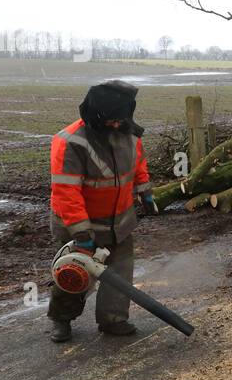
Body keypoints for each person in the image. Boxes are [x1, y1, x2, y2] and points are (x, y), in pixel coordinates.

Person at [47, 80, 156, 342]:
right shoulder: (70, 142)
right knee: (76, 275)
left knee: (120, 273)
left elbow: (138, 164)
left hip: (120, 220)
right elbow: (66, 192)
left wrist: (145, 191)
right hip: (80, 223)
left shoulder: (128, 132)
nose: (117, 124)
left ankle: (113, 319)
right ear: (97, 114)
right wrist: (81, 231)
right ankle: (61, 319)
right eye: (113, 120)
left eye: (121, 119)